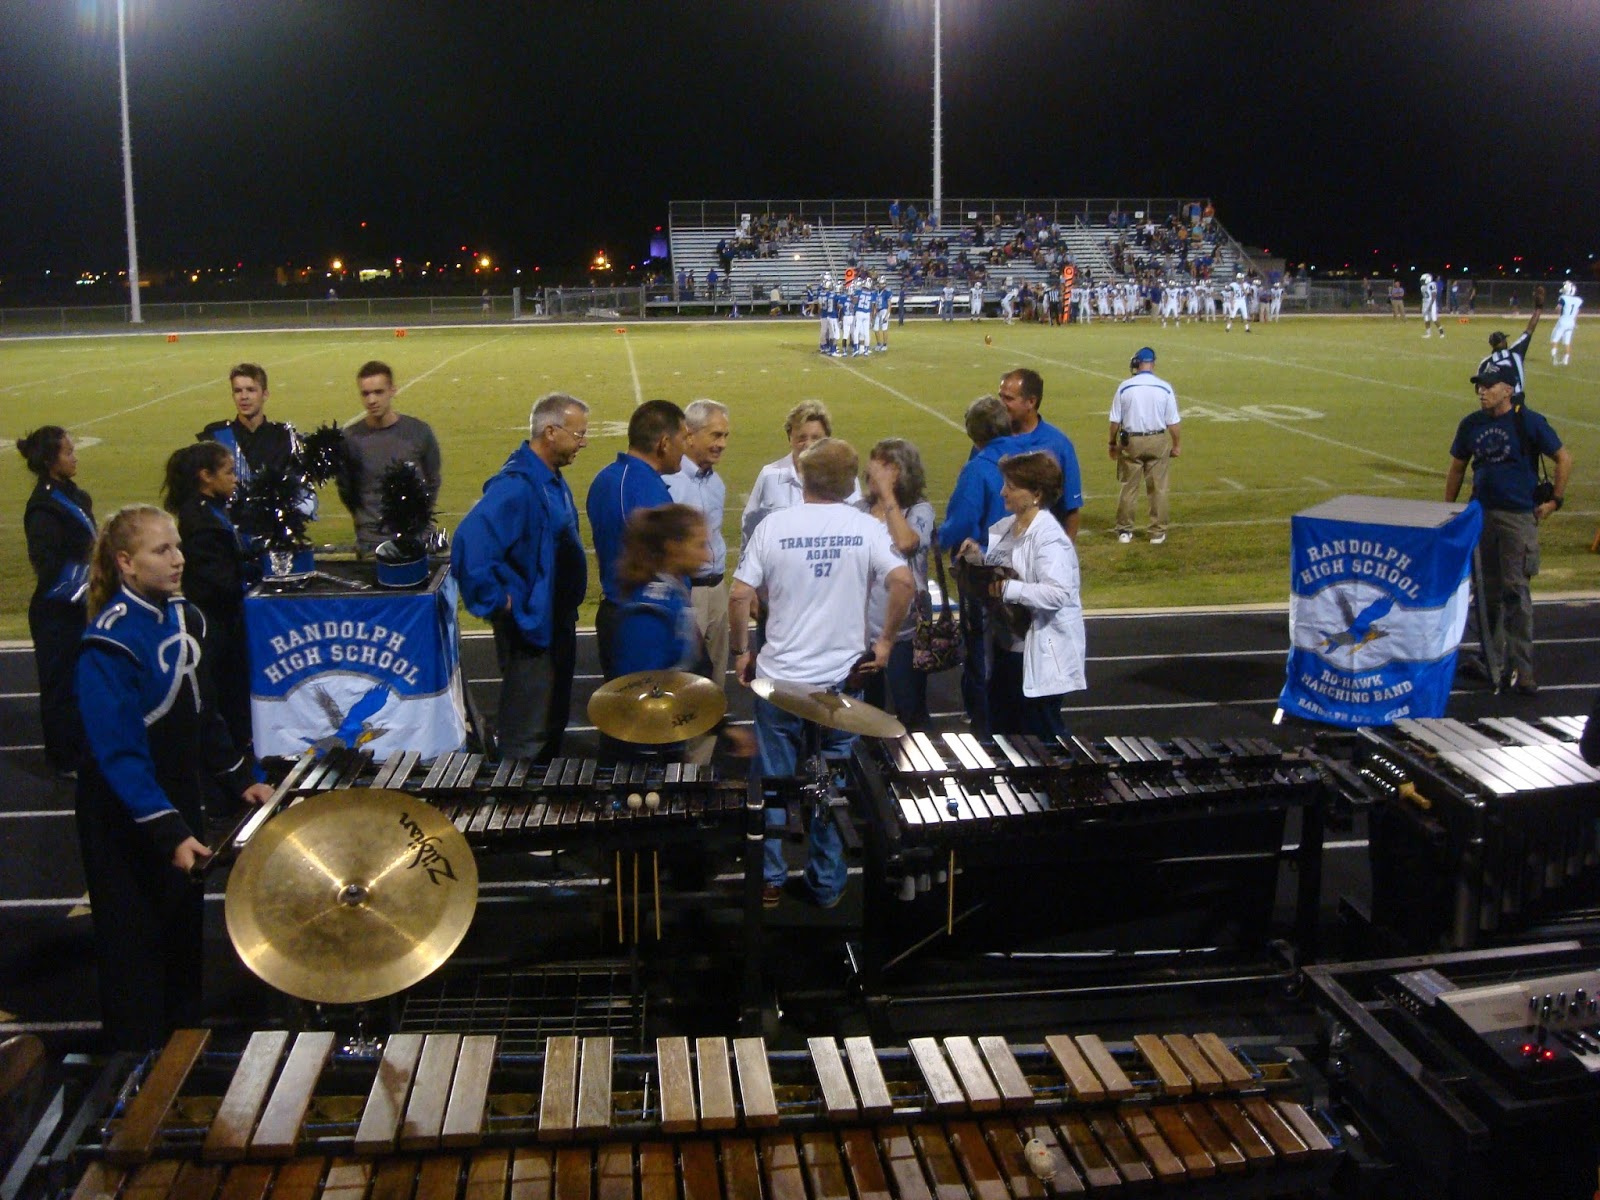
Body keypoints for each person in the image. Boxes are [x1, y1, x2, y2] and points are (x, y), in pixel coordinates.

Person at [74, 505, 272, 1049]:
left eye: (178, 546)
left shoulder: (188, 620)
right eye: (162, 550)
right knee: (133, 946)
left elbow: (204, 717)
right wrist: (168, 832)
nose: (179, 559)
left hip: (177, 798)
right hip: (123, 812)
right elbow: (118, 755)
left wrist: (240, 779)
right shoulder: (108, 643)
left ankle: (181, 1060)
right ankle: (133, 1077)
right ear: (125, 563)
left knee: (182, 939)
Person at [730, 439, 913, 909]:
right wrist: (886, 642)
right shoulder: (864, 528)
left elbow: (738, 595)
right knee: (831, 784)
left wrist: (740, 651)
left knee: (771, 781)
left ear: (804, 478)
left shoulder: (775, 526)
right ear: (851, 482)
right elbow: (904, 582)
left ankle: (769, 876)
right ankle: (828, 883)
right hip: (839, 685)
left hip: (779, 682)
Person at [451, 394, 589, 760]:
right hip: (532, 629)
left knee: (550, 725)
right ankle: (517, 805)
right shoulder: (518, 485)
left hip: (556, 622)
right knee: (527, 734)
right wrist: (497, 601)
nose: (583, 442)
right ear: (550, 432)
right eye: (578, 434)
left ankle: (544, 802)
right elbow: (469, 542)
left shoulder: (549, 478)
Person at [1444, 361, 1572, 694]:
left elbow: (1563, 457)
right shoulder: (1470, 424)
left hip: (1517, 518)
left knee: (1516, 592)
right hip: (1480, 516)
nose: (1481, 392)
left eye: (1488, 386)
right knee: (1486, 595)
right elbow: (1457, 468)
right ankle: (1492, 663)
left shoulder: (1528, 422)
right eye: (1479, 386)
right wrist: (1451, 508)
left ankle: (1523, 670)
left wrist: (1556, 499)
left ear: (1508, 389)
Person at [959, 452, 1086, 738]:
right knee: (1003, 736)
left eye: (1011, 487)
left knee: (1042, 738)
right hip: (1007, 650)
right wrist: (977, 559)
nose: (1003, 492)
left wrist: (1009, 590)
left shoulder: (1050, 538)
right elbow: (999, 572)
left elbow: (1058, 593)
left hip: (1037, 654)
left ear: (1036, 493)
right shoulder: (1007, 529)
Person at [161, 443, 253, 756]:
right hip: (215, 622)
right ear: (206, 477)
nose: (235, 479)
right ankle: (229, 757)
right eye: (228, 472)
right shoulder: (200, 520)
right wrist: (253, 582)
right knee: (225, 690)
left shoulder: (212, 508)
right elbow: (218, 582)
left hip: (221, 617)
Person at [586, 400, 688, 679]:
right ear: (664, 443)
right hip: (642, 620)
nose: (686, 448)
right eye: (683, 438)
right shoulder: (643, 489)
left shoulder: (607, 477)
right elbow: (660, 564)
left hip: (619, 611)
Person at [17, 426, 95, 777]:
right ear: (50, 461)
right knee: (60, 686)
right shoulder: (43, 508)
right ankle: (63, 759)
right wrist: (96, 580)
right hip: (57, 611)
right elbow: (49, 568)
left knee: (82, 682)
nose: (74, 455)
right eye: (67, 451)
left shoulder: (74, 495)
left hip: (79, 607)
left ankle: (81, 747)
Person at [940, 396, 1017, 735]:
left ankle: (983, 722)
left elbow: (961, 523)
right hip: (1029, 567)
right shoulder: (1030, 456)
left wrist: (938, 538)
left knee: (982, 650)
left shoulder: (979, 469)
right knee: (1018, 646)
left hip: (987, 571)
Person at [662, 400, 732, 765]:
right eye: (715, 435)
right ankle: (675, 767)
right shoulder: (668, 482)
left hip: (717, 590)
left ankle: (700, 770)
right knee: (683, 685)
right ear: (689, 435)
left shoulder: (715, 482)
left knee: (715, 686)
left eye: (725, 436)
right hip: (685, 594)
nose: (721, 443)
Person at [857, 439, 935, 727]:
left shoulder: (919, 510)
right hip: (861, 634)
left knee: (910, 714)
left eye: (887, 466)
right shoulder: (857, 508)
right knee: (864, 716)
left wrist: (888, 495)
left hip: (904, 635)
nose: (877, 471)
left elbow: (905, 542)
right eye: (876, 462)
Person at [337, 361, 443, 553]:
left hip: (417, 537)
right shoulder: (350, 439)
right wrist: (366, 518)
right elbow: (346, 489)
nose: (371, 400)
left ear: (392, 390)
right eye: (365, 393)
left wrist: (419, 517)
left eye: (378, 392)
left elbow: (433, 479)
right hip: (371, 540)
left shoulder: (419, 432)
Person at [740, 401, 858, 549]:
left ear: (827, 440)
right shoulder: (769, 476)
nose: (808, 444)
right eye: (801, 438)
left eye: (816, 437)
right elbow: (750, 528)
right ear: (790, 437)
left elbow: (857, 523)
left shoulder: (843, 475)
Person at [611, 505, 710, 678]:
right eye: (700, 545)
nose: (707, 556)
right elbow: (640, 689)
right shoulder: (649, 611)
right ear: (673, 547)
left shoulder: (673, 590)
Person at [196, 364, 304, 508]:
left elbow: (300, 488)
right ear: (233, 396)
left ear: (265, 394)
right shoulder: (216, 436)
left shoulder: (284, 436)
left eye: (251, 390)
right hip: (230, 524)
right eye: (238, 391)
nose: (244, 397)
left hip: (273, 524)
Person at [995, 368, 1084, 540]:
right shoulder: (991, 441)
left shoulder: (1059, 445)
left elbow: (1071, 509)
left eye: (1008, 398)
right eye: (1000, 396)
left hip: (1041, 550)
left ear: (1031, 402)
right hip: (998, 552)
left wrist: (1065, 553)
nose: (1001, 404)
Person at [1108, 347, 1182, 545]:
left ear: (1136, 363)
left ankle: (1124, 530)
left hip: (1131, 441)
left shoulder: (1125, 387)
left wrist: (1112, 443)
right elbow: (1173, 423)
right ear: (1153, 363)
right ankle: (1157, 532)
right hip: (1157, 439)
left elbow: (1115, 421)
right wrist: (1176, 445)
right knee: (1159, 489)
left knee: (1129, 488)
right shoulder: (1165, 387)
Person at [1476, 286, 1544, 404]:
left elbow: (1478, 388)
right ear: (1503, 342)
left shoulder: (1485, 363)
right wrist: (1538, 309)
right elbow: (1530, 329)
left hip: (1496, 405)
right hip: (1516, 401)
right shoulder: (1516, 352)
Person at [1551, 281, 1583, 366]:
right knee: (1567, 342)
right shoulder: (1578, 300)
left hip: (1563, 321)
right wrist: (1575, 322)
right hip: (1571, 323)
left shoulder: (1563, 298)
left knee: (1554, 339)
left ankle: (1554, 359)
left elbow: (1558, 309)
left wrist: (1556, 311)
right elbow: (1577, 313)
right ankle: (1566, 360)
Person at [1420, 274, 1444, 339]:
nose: (1422, 282)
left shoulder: (1432, 284)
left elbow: (1434, 295)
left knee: (1434, 319)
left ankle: (1441, 332)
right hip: (1425, 304)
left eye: (1423, 280)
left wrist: (1430, 305)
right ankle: (1428, 334)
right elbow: (1424, 297)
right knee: (1426, 319)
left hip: (1431, 303)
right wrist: (1422, 306)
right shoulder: (1422, 287)